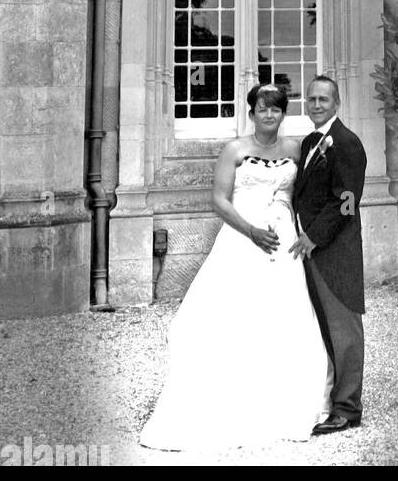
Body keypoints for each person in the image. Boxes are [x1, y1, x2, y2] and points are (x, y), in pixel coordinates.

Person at [139, 83, 330, 451]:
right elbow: (220, 201)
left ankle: (283, 391)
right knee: (232, 312)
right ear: (252, 112)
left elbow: (307, 191)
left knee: (285, 313)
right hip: (242, 238)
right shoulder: (235, 150)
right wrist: (252, 232)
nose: (269, 115)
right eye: (263, 109)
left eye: (276, 109)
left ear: (283, 113)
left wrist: (287, 213)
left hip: (283, 240)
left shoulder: (295, 149)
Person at [290, 75, 367, 433]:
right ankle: (330, 396)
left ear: (337, 104)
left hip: (335, 249)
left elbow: (346, 203)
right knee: (322, 326)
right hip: (311, 248)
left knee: (344, 328)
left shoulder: (347, 144)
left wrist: (313, 238)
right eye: (311, 99)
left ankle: (348, 409)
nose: (317, 105)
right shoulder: (309, 142)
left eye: (324, 99)